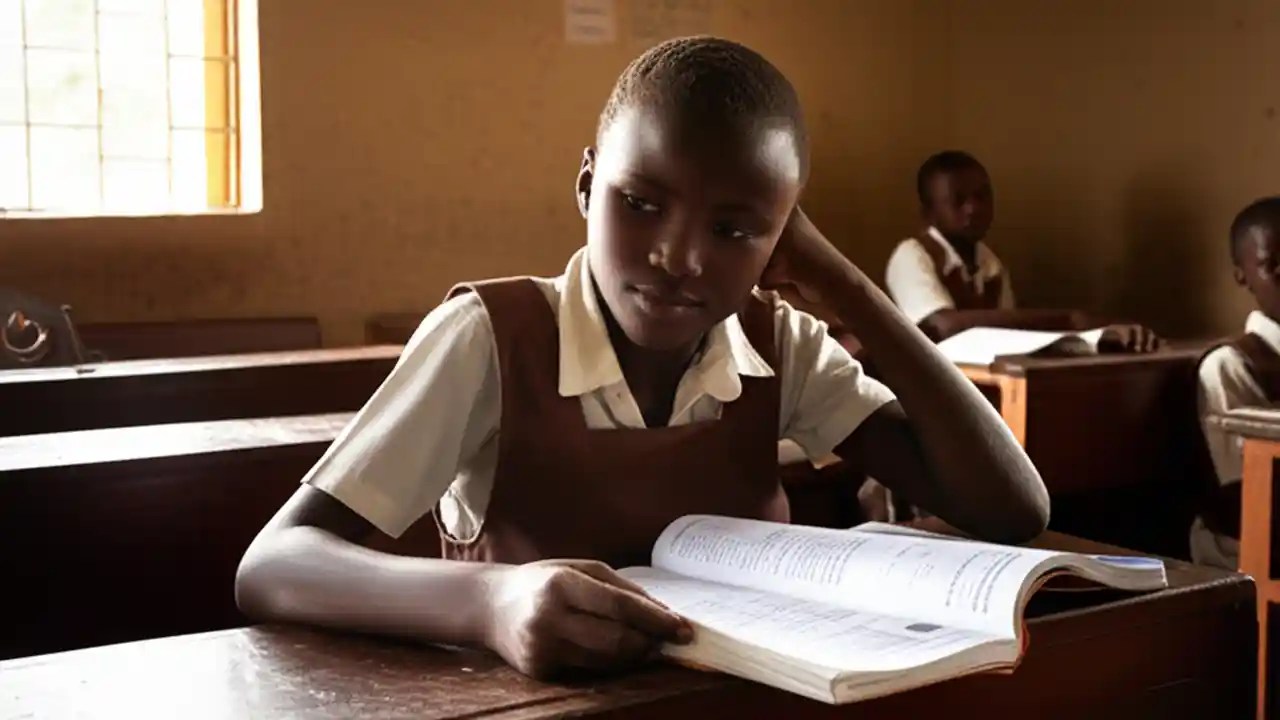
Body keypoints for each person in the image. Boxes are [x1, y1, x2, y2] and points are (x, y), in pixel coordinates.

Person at [236, 36, 1048, 681]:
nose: (679, 257)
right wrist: (490, 603)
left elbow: (1013, 508)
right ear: (588, 186)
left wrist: (842, 281)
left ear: (782, 238)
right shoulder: (491, 337)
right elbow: (274, 564)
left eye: (735, 229)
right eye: (641, 204)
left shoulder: (779, 343)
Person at [885, 151, 1159, 351]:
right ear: (929, 214)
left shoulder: (990, 264)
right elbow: (942, 326)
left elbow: (1011, 332)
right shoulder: (912, 254)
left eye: (982, 196)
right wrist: (1070, 320)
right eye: (958, 200)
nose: (973, 208)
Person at [1192, 196, 1280, 568]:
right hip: (1243, 546)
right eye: (1273, 265)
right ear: (1241, 274)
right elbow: (1245, 495)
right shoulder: (1230, 366)